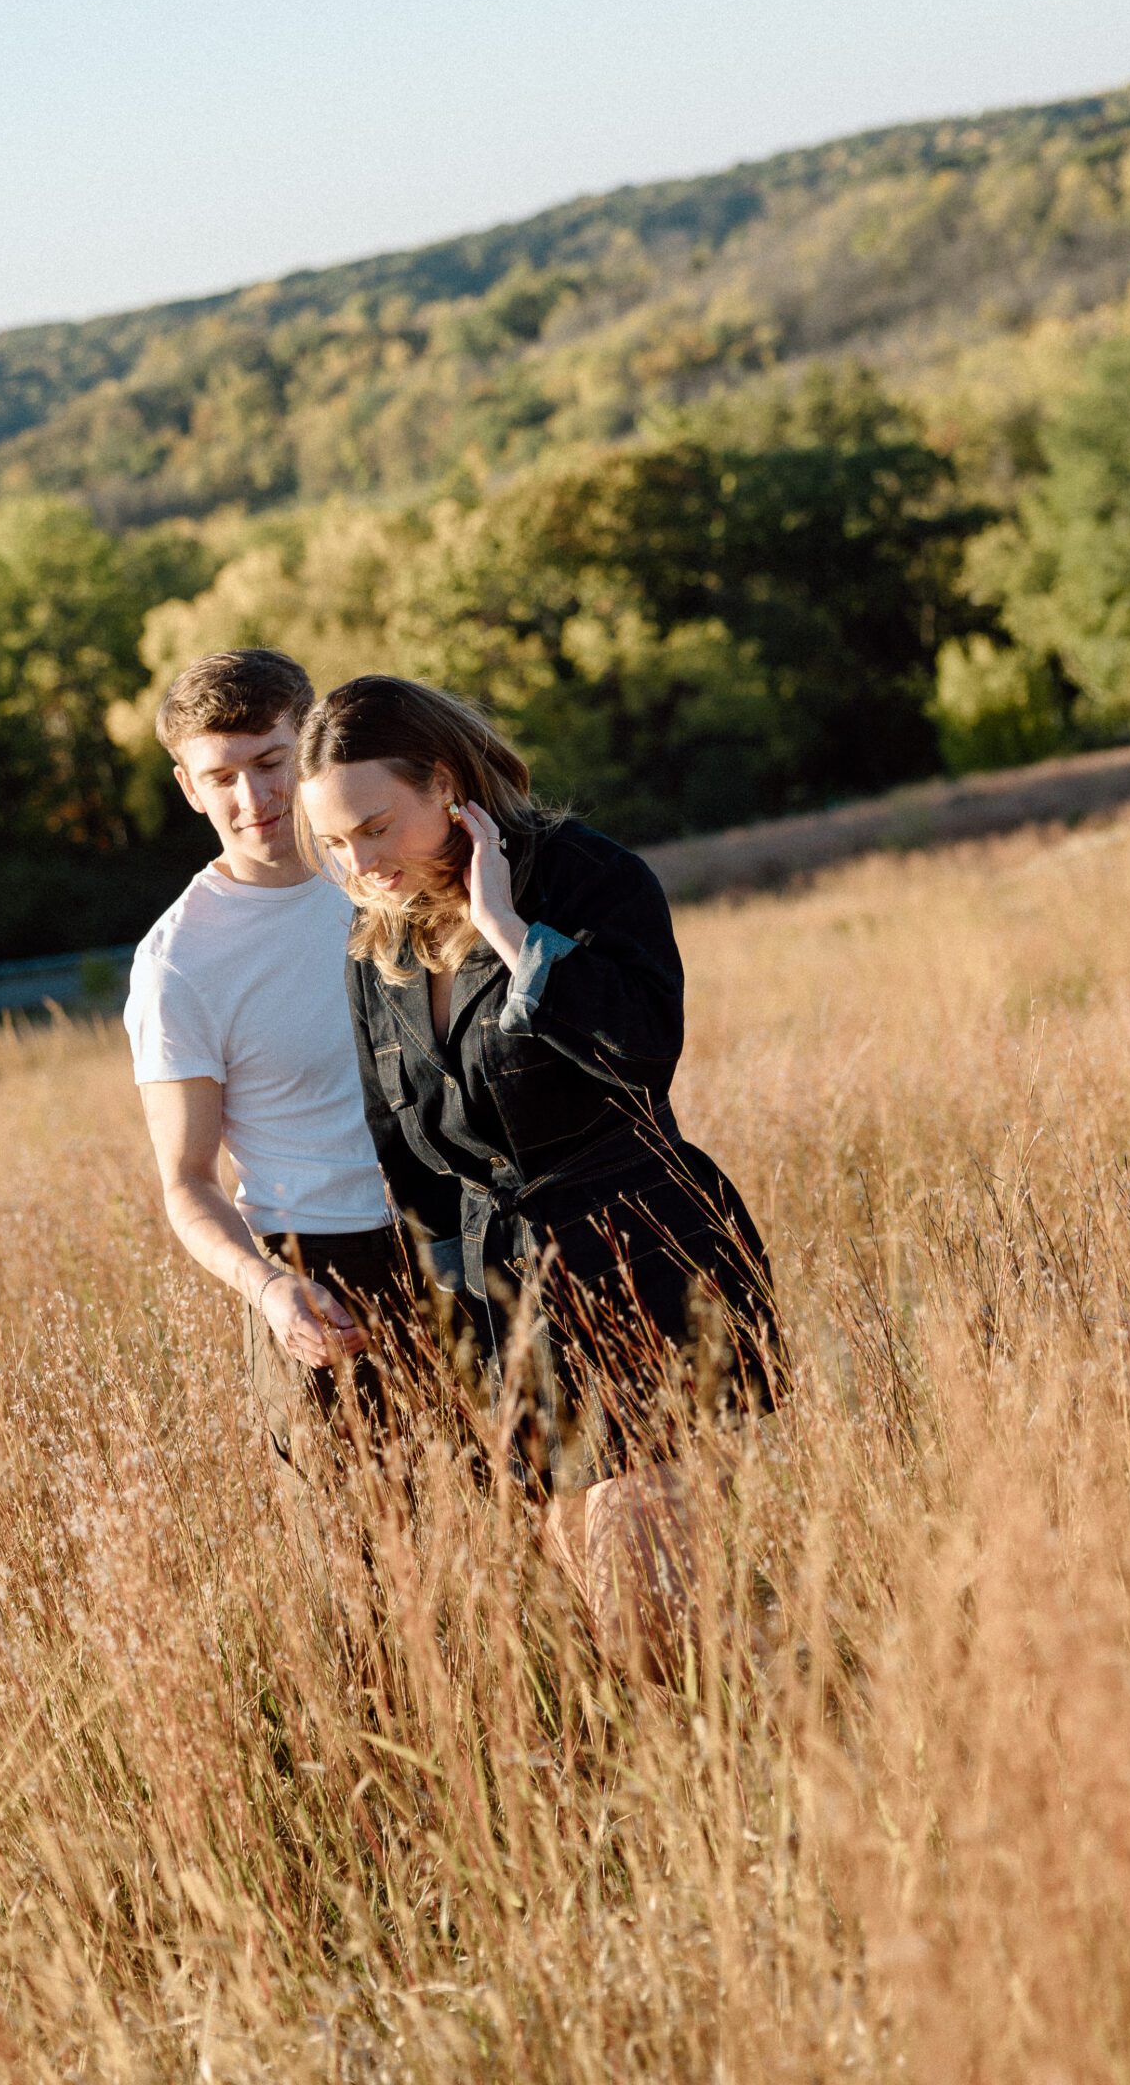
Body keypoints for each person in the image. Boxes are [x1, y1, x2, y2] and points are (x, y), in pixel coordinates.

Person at [296, 674, 783, 1666]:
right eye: (336, 844)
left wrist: (515, 936)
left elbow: (645, 1048)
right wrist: (415, 1322)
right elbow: (405, 1156)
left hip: (637, 1270)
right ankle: (755, 1749)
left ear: (444, 784)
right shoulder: (374, 946)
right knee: (639, 1624)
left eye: (377, 827)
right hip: (498, 1312)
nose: (360, 861)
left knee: (645, 1605)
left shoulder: (587, 878)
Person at [124, 647, 448, 1501]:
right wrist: (268, 1289)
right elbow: (186, 1181)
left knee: (537, 1532)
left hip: (470, 1229)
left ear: (307, 741)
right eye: (220, 777)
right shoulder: (178, 965)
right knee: (373, 1590)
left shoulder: (387, 864)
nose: (252, 799)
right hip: (325, 1279)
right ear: (188, 787)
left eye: (270, 763)